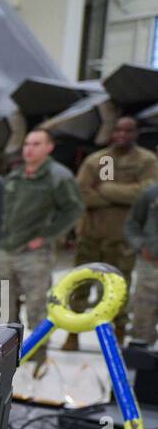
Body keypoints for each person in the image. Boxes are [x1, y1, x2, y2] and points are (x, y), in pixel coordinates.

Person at [0, 128, 85, 358]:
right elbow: (2, 215)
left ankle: (38, 356)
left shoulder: (59, 176)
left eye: (36, 144)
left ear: (49, 148)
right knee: (0, 309)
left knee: (37, 309)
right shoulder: (16, 176)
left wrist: (47, 236)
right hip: (5, 251)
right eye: (27, 144)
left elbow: (74, 209)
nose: (29, 149)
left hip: (34, 254)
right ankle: (2, 358)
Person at [67, 116, 158, 348]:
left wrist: (106, 189)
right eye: (117, 130)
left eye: (128, 131)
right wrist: (121, 197)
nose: (121, 135)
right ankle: (73, 332)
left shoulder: (146, 161)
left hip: (122, 239)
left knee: (119, 288)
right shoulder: (100, 160)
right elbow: (82, 195)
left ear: (136, 134)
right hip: (91, 236)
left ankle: (117, 333)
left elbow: (146, 192)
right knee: (80, 286)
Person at [124, 181, 158, 345]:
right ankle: (141, 364)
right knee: (143, 318)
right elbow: (132, 224)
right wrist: (141, 246)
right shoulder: (151, 194)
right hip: (151, 266)